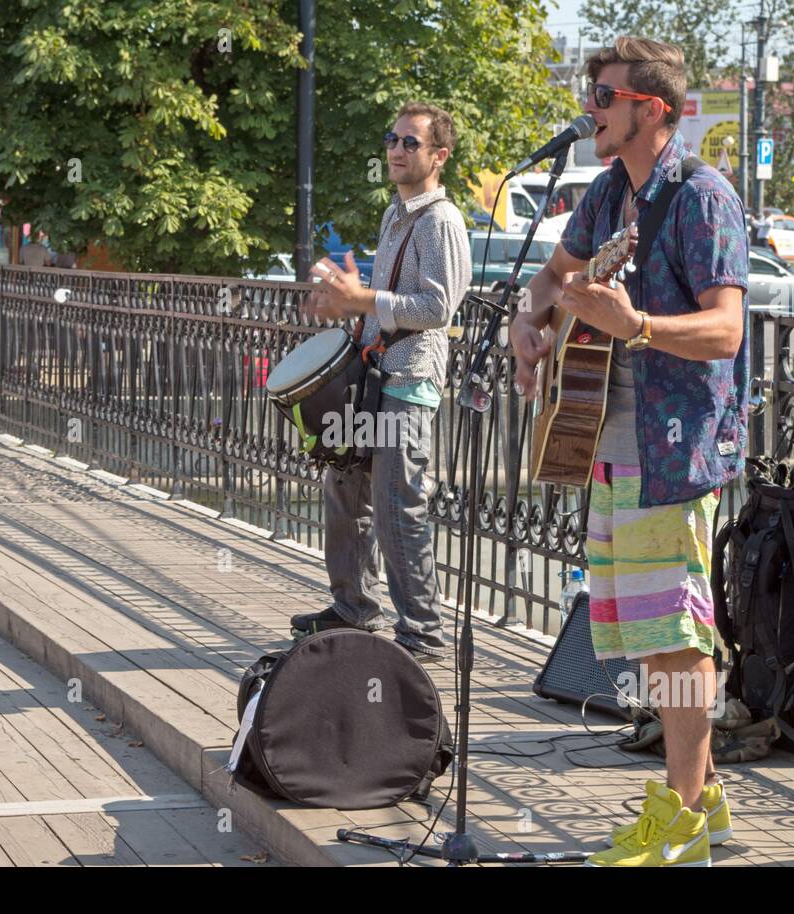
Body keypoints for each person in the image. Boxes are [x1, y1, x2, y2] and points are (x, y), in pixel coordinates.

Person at [512, 36, 749, 867]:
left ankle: (682, 823)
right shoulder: (610, 191)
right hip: (610, 444)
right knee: (648, 632)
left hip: (673, 449)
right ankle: (704, 804)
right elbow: (553, 279)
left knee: (675, 635)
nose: (591, 109)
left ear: (650, 109)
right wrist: (528, 322)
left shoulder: (703, 197)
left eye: (603, 97)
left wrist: (639, 325)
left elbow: (727, 329)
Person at [292, 101, 471, 661]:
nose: (396, 150)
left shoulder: (442, 220)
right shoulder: (396, 213)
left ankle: (421, 633)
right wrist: (346, 306)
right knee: (346, 493)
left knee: (398, 508)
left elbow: (438, 308)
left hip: (410, 381)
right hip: (375, 373)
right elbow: (387, 300)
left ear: (439, 156)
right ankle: (352, 609)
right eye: (392, 140)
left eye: (410, 143)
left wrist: (364, 299)